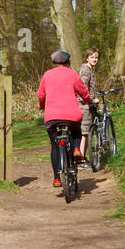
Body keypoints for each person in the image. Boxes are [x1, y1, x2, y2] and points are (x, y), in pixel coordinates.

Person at [36, 49, 91, 188]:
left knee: (55, 145)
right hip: (71, 115)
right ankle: (77, 149)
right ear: (68, 62)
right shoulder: (72, 74)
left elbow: (41, 95)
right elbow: (83, 91)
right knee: (76, 130)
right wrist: (88, 100)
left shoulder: (47, 75)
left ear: (53, 62)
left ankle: (56, 179)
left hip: (52, 117)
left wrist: (43, 106)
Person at [77, 47, 101, 165]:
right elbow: (83, 88)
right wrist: (91, 99)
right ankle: (81, 159)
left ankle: (82, 157)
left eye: (96, 57)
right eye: (92, 57)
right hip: (84, 105)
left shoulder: (89, 69)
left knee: (86, 133)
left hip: (88, 104)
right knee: (84, 134)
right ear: (87, 58)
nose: (94, 59)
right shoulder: (86, 70)